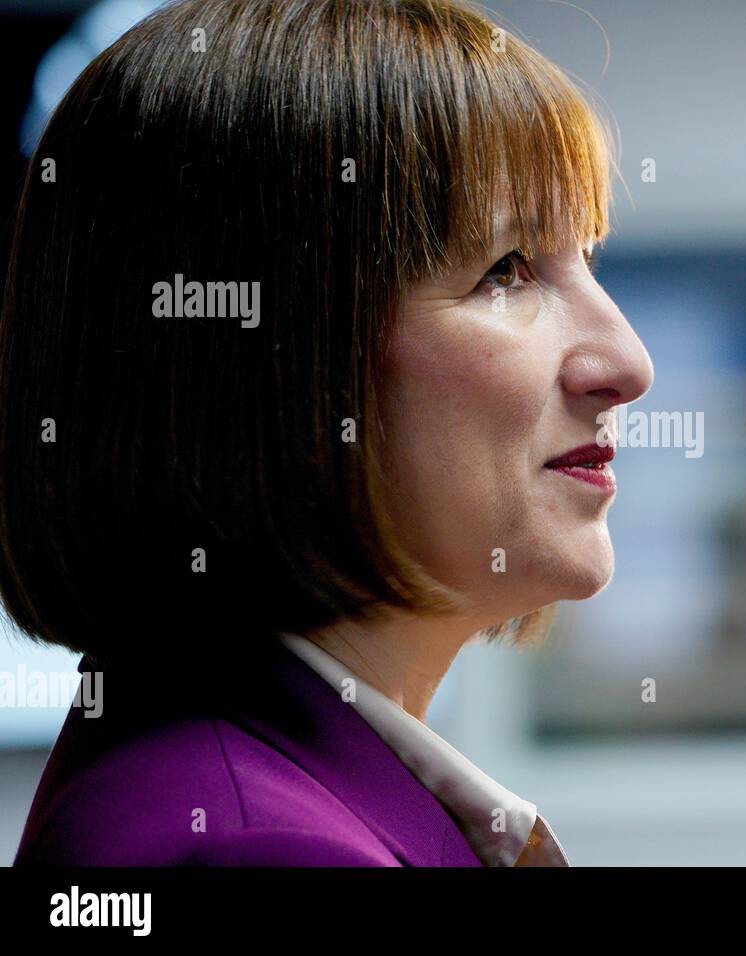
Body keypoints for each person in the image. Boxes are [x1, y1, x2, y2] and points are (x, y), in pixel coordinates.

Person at [1, 0, 653, 866]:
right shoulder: (259, 850)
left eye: (589, 259)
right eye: (505, 271)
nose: (627, 362)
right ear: (262, 361)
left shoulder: (239, 786)